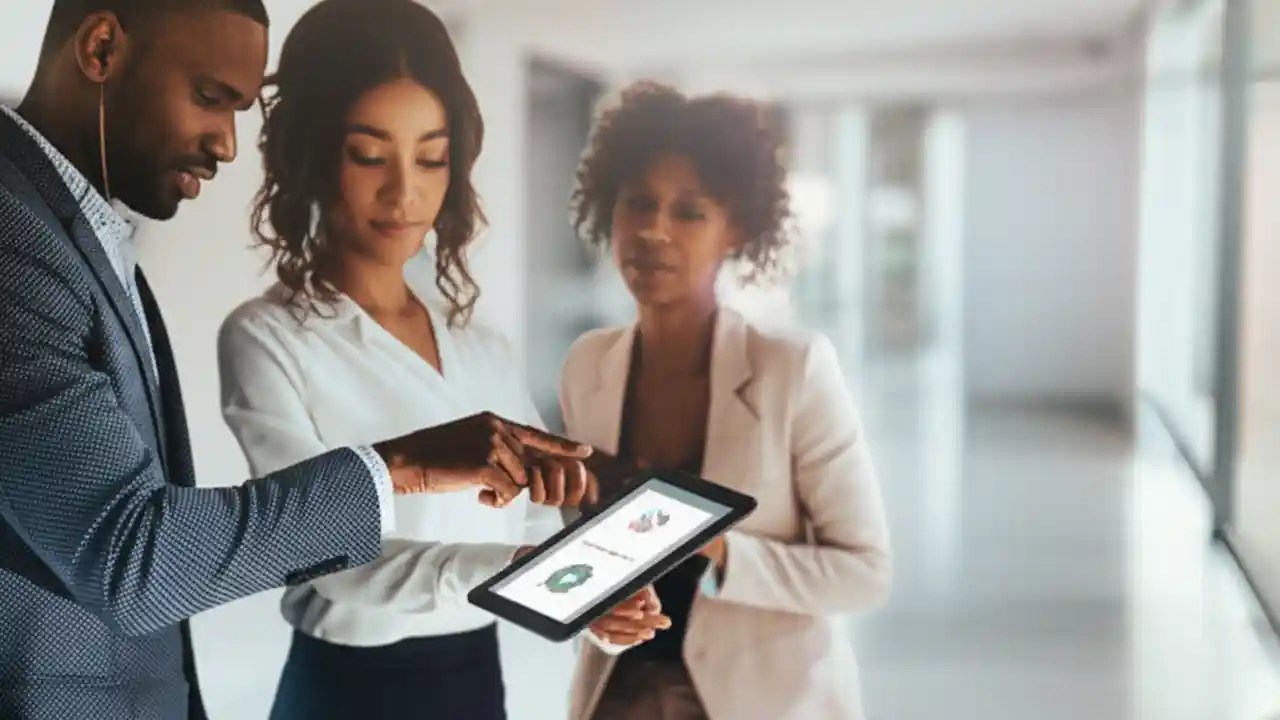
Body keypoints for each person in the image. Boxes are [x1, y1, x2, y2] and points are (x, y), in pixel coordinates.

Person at [0, 2, 592, 718]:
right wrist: (399, 466)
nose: (226, 145)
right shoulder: (18, 241)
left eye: (432, 157)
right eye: (209, 98)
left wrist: (585, 583)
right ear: (100, 48)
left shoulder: (84, 239)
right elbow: (134, 558)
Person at [216, 2, 668, 719]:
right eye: (369, 156)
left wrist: (588, 598)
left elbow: (529, 525)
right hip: (348, 693)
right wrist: (515, 572)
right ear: (308, 155)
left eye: (431, 157)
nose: (405, 193)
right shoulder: (269, 338)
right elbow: (321, 553)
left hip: (475, 684)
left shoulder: (480, 345)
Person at [559, 82, 894, 720]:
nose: (654, 230)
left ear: (735, 229)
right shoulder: (587, 366)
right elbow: (589, 554)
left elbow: (864, 572)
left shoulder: (791, 370)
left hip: (762, 701)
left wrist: (715, 550)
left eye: (689, 212)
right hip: (618, 695)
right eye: (638, 203)